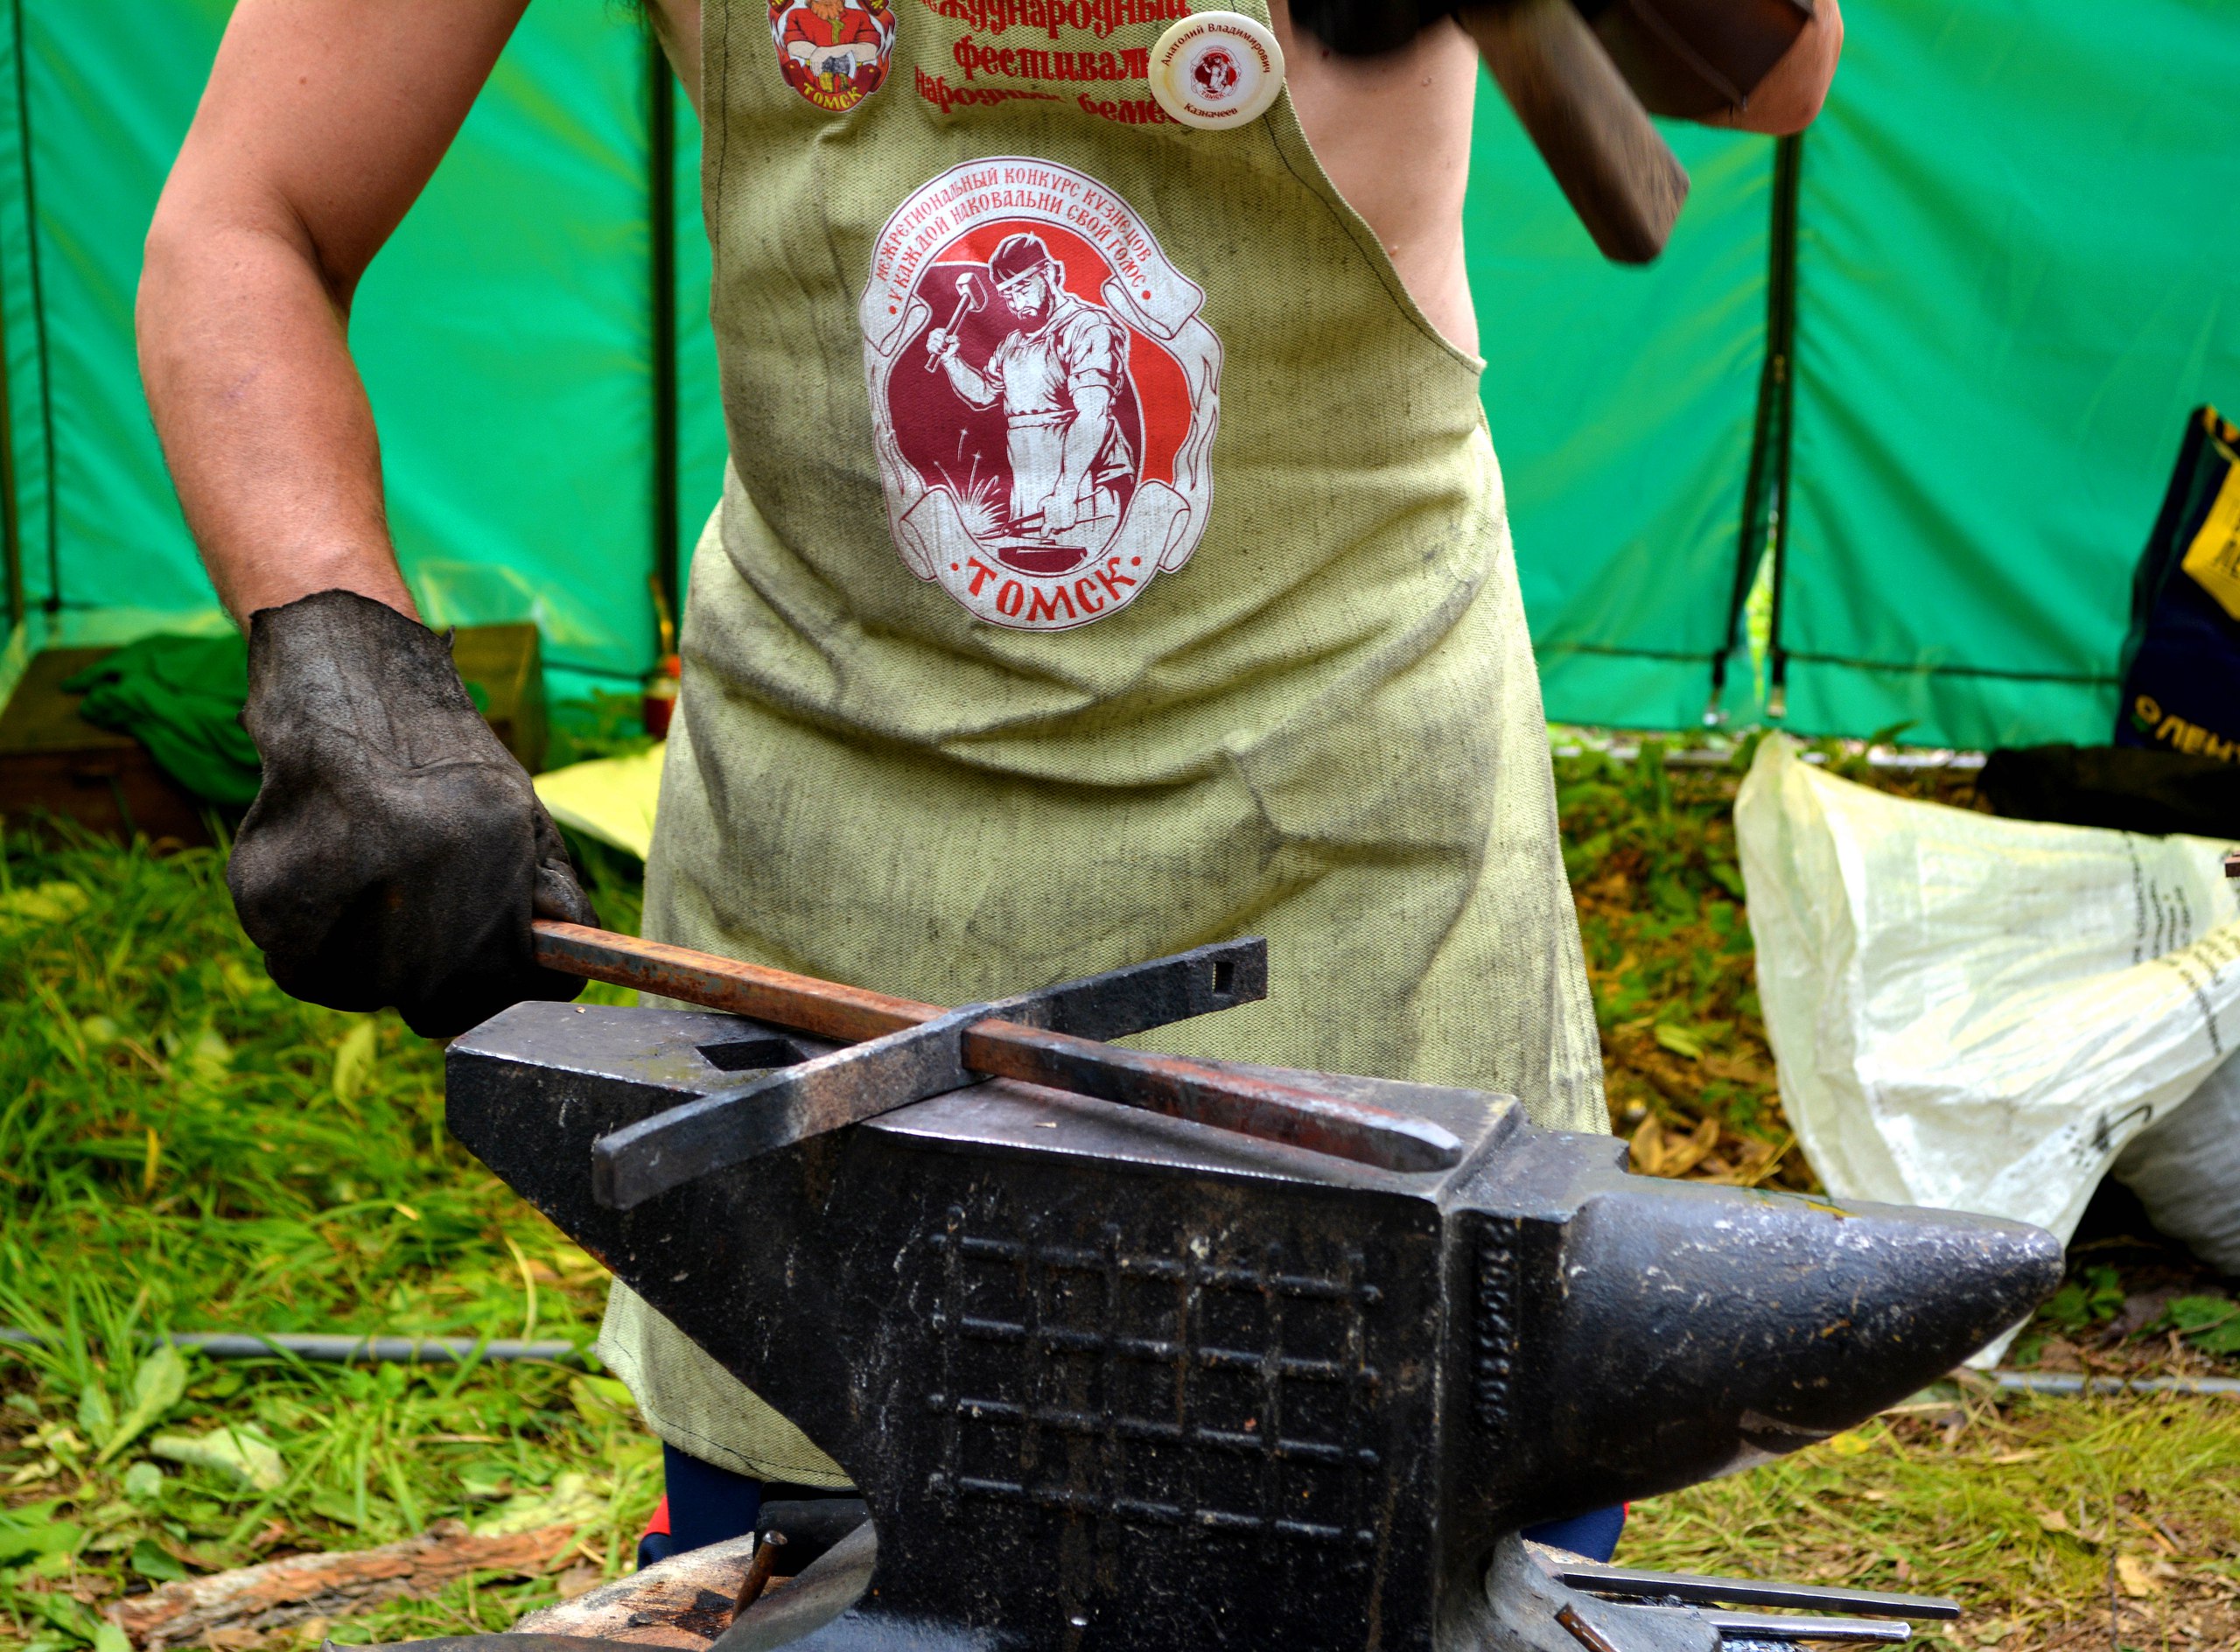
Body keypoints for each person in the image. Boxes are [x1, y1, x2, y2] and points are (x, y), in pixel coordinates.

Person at [137, 0, 1841, 1574]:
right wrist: (338, 644)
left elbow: (1769, 73)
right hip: (823, 934)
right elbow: (249, 219)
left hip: (1346, 902)